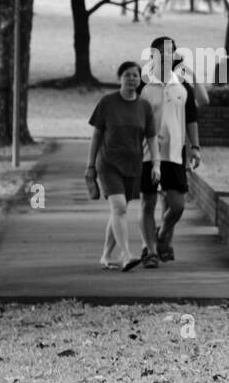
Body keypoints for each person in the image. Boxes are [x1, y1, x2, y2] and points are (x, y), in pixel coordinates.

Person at [137, 35, 205, 267]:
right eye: (161, 52)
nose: (166, 56)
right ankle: (152, 252)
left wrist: (195, 147)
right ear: (153, 55)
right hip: (147, 155)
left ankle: (162, 234)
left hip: (175, 155)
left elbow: (192, 119)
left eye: (170, 52)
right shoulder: (142, 86)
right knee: (148, 203)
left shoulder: (182, 86)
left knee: (177, 206)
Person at [86, 61, 160, 271]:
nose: (131, 79)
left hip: (133, 165)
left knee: (118, 211)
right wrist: (90, 165)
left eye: (135, 75)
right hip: (108, 164)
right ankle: (126, 254)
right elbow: (97, 135)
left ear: (140, 79)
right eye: (127, 75)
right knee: (119, 207)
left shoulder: (143, 106)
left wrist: (156, 165)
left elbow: (152, 138)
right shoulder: (107, 102)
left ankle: (106, 256)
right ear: (120, 78)